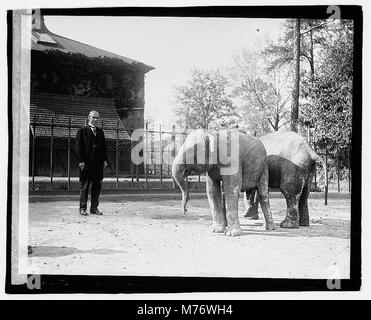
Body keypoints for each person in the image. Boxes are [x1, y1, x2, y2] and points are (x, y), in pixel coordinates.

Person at [76, 110, 108, 215]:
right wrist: (81, 161)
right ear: (88, 117)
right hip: (86, 163)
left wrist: (104, 160)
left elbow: (103, 147)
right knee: (84, 186)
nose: (95, 120)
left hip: (98, 164)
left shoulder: (100, 131)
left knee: (96, 187)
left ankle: (94, 208)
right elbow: (78, 147)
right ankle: (82, 208)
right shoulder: (82, 131)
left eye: (97, 118)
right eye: (93, 117)